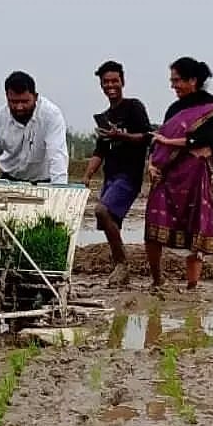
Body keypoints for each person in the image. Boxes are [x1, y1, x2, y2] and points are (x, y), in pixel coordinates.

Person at [144, 57, 213, 292]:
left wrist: (170, 141)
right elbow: (158, 139)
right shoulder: (174, 109)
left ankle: (192, 287)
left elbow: (206, 141)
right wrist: (151, 163)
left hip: (195, 178)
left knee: (196, 233)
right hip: (166, 178)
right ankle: (157, 280)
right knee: (152, 228)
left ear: (193, 81)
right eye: (172, 81)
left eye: (177, 80)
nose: (173, 86)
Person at [81, 60, 152, 287]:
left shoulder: (134, 107)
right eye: (106, 82)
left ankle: (122, 264)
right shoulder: (104, 117)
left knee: (102, 210)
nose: (110, 85)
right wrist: (87, 175)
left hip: (129, 175)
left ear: (122, 82)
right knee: (109, 221)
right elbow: (100, 150)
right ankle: (120, 271)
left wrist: (121, 136)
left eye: (114, 81)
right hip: (110, 175)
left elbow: (146, 136)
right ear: (101, 85)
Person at [0, 71, 70, 184]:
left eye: (25, 101)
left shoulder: (51, 116)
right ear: (7, 97)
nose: (19, 107)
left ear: (35, 97)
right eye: (14, 102)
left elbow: (57, 156)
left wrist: (59, 190)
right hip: (10, 180)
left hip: (44, 181)